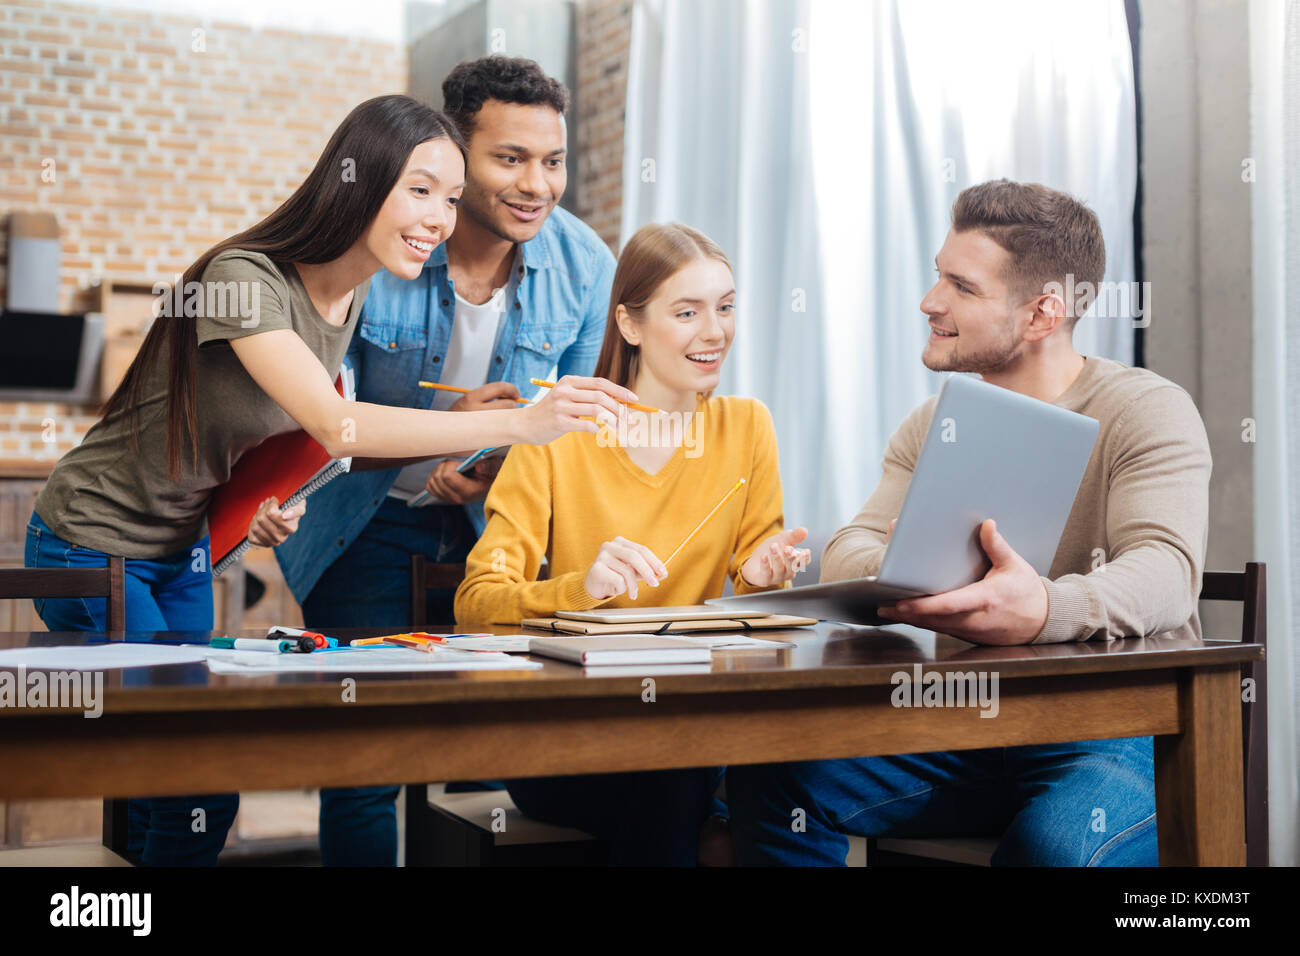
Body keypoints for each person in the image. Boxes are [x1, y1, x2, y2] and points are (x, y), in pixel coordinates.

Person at [24, 93, 635, 867]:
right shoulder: (241, 277)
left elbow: (291, 442)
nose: (441, 219)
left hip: (183, 550)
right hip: (90, 541)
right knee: (188, 778)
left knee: (187, 781)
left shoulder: (344, 298)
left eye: (450, 199)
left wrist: (272, 503)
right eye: (420, 190)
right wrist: (515, 425)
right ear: (360, 181)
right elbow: (337, 425)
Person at [727, 179, 1212, 867]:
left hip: (1112, 729)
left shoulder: (1145, 409)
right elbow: (850, 549)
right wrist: (906, 571)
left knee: (1054, 847)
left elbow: (1165, 574)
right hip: (965, 724)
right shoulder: (932, 424)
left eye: (961, 286)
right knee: (772, 771)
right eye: (936, 278)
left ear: (1044, 312)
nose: (931, 302)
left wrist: (1040, 607)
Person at [274, 56, 618, 866]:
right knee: (366, 761)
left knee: (512, 743)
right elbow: (320, 414)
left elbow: (572, 422)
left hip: (497, 531)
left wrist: (496, 467)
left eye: (553, 160)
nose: (538, 183)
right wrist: (443, 425)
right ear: (456, 159)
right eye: (511, 159)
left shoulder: (585, 265)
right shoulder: (381, 245)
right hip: (368, 524)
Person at [455, 222, 813, 864]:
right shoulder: (557, 431)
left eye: (726, 307)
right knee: (678, 784)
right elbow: (477, 602)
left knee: (747, 774)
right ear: (629, 323)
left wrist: (762, 571)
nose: (715, 331)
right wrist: (581, 590)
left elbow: (758, 577)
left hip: (694, 732)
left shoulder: (747, 427)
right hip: (569, 738)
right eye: (687, 311)